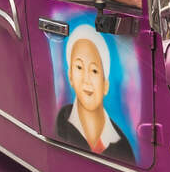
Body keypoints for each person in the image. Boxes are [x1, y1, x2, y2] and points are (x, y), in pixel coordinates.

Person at [54, 25, 135, 161]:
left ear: (105, 85)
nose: (87, 80)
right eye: (79, 67)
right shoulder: (61, 121)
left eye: (94, 71)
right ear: (70, 76)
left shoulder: (123, 145)